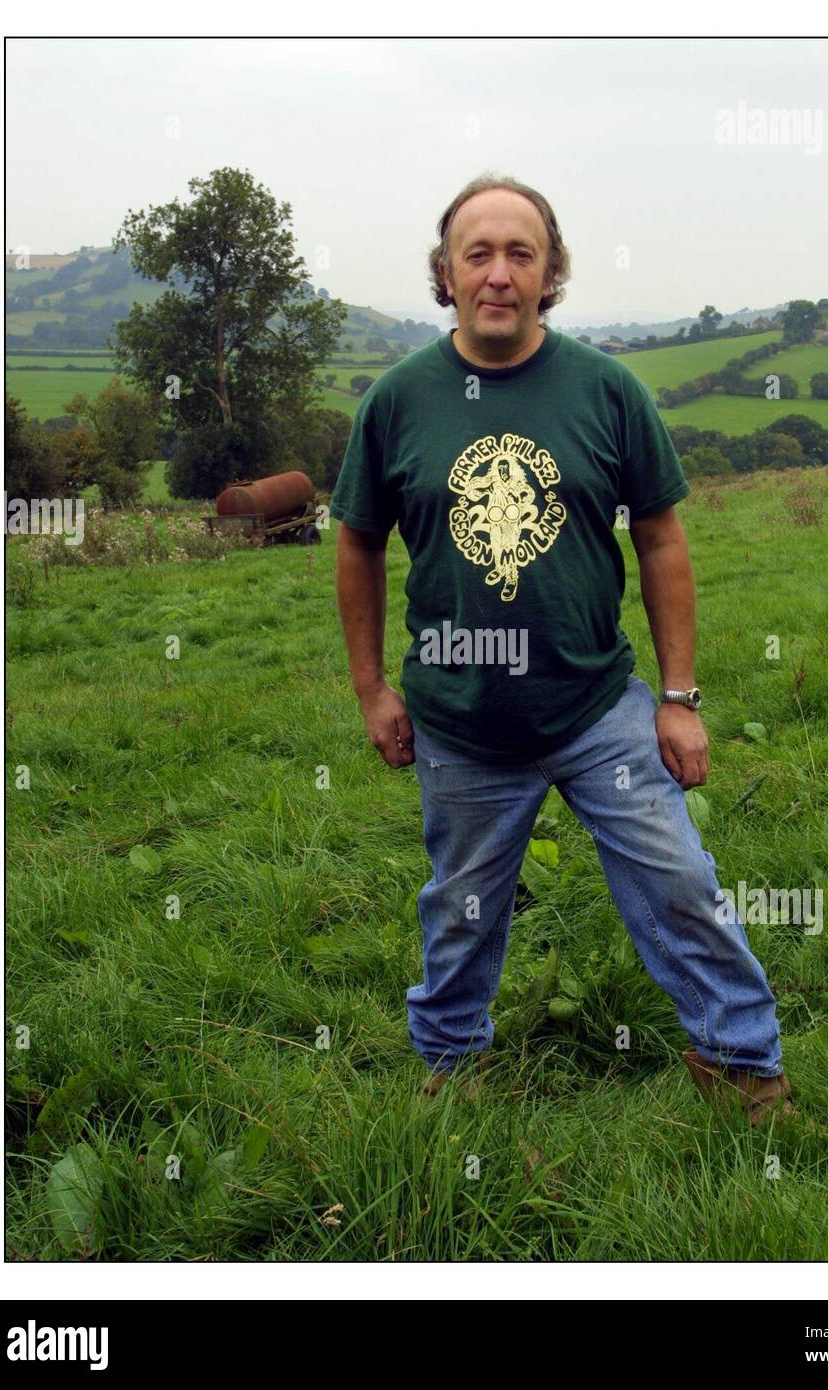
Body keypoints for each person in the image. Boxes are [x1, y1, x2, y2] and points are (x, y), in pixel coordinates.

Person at [330, 174, 795, 1124]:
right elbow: (357, 541)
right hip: (460, 722)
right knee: (458, 912)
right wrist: (372, 687)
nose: (498, 274)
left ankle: (742, 1065)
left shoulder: (606, 389)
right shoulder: (396, 402)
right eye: (478, 254)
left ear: (549, 275)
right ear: (446, 274)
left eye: (520, 254)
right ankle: (452, 1070)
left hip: (596, 708)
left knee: (680, 885)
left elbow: (661, 540)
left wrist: (679, 697)